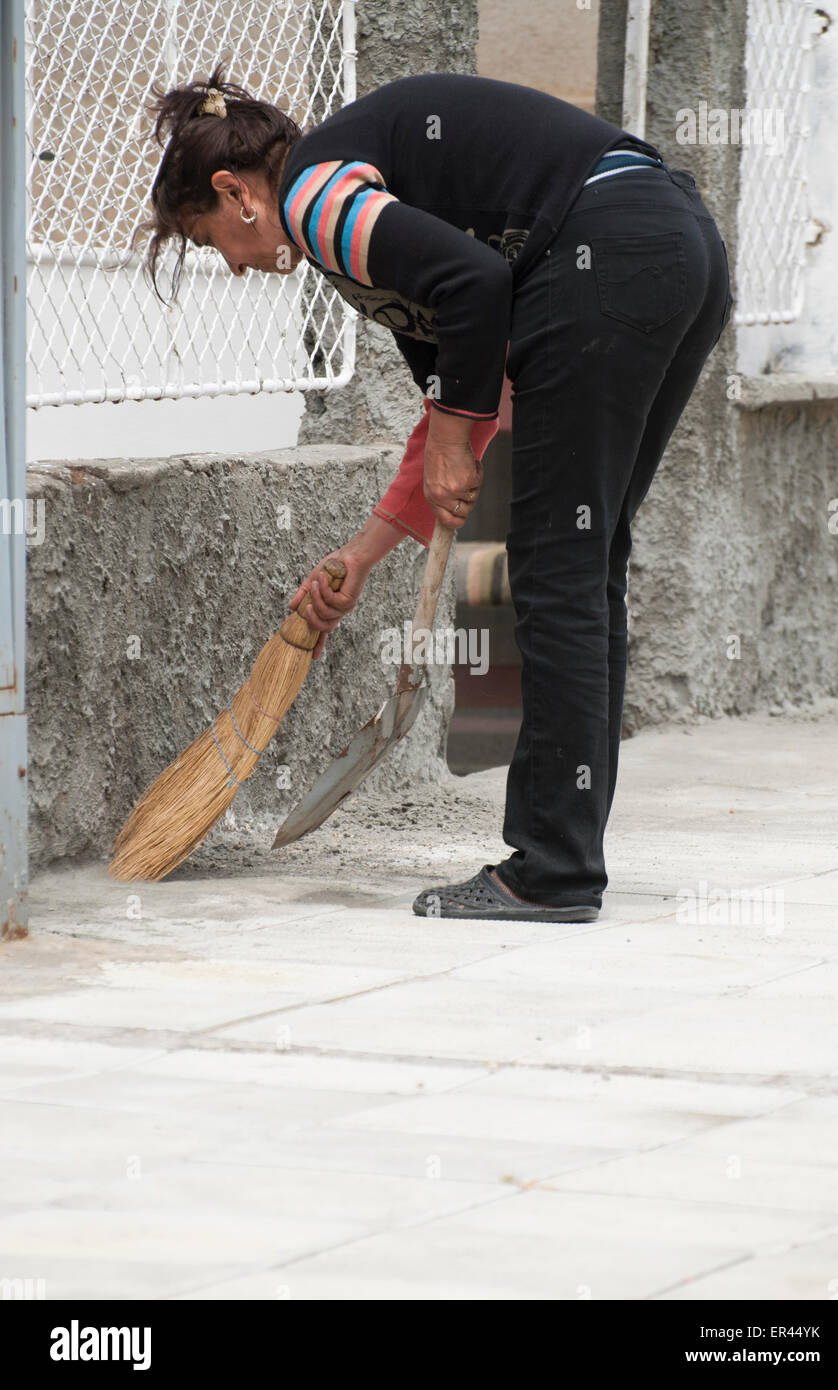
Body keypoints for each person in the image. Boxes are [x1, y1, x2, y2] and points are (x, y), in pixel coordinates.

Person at [141, 66, 732, 924]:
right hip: (674, 246)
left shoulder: (316, 199)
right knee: (584, 562)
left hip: (608, 244)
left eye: (204, 238)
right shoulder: (359, 211)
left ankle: (552, 872)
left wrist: (459, 434)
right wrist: (361, 558)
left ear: (236, 193)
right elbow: (460, 392)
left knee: (556, 569)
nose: (229, 268)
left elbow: (477, 290)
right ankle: (562, 857)